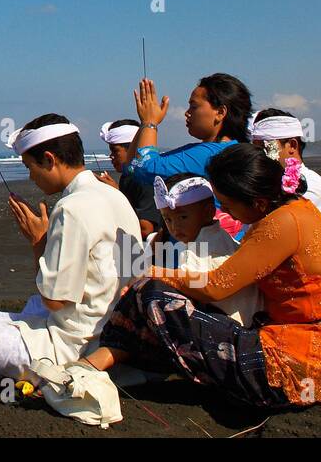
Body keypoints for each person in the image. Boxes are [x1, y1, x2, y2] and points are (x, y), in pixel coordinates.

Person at [83, 143, 321, 407]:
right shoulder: (294, 209)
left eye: (226, 204)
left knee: (154, 294)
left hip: (299, 362)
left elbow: (215, 286)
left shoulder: (281, 223)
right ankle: (101, 363)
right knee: (155, 294)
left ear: (258, 203)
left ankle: (95, 364)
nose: (225, 211)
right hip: (317, 347)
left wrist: (158, 274)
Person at [0, 114, 142, 388]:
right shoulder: (114, 195)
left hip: (75, 344)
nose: (31, 177)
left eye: (30, 167)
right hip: (115, 333)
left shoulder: (72, 208)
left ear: (50, 160)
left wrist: (39, 241)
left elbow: (56, 300)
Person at [120, 73, 254, 235]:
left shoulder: (210, 154)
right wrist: (146, 124)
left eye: (194, 106)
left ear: (220, 112)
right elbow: (132, 168)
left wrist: (150, 122)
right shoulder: (230, 149)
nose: (187, 112)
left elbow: (144, 168)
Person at [142, 174, 260, 326]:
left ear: (208, 211)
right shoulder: (223, 239)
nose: (174, 227)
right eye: (168, 219)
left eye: (183, 217)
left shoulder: (198, 251)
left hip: (230, 330)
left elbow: (187, 291)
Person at [250, 108, 321, 227]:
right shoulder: (268, 182)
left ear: (292, 145)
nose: (259, 156)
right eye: (256, 150)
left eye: (266, 148)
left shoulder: (312, 187)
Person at [97, 119, 162, 236]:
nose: (111, 156)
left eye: (115, 151)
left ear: (132, 149)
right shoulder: (127, 177)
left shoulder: (144, 179)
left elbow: (145, 229)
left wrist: (116, 194)